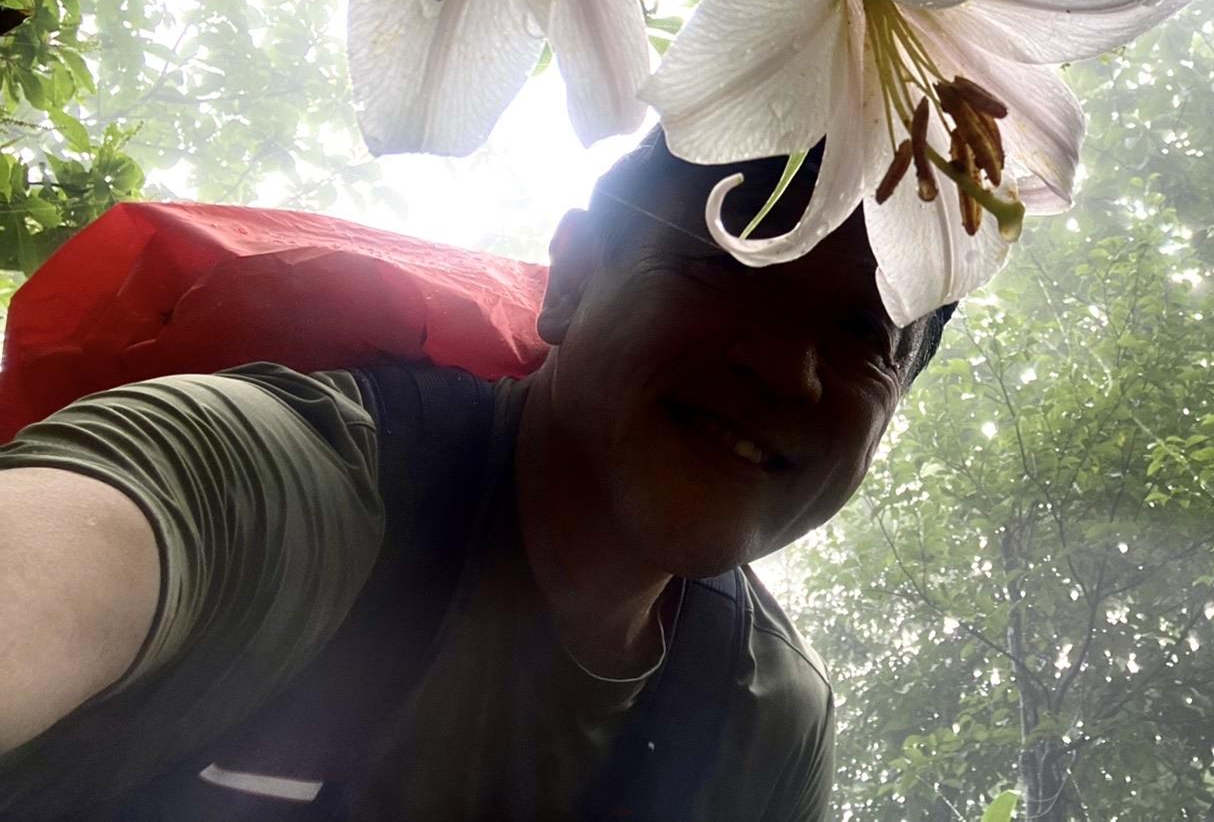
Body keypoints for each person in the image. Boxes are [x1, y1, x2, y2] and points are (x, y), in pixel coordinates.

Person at [0, 132, 954, 820]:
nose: (790, 369)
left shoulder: (765, 728)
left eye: (867, 334)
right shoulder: (271, 482)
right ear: (574, 278)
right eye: (733, 261)